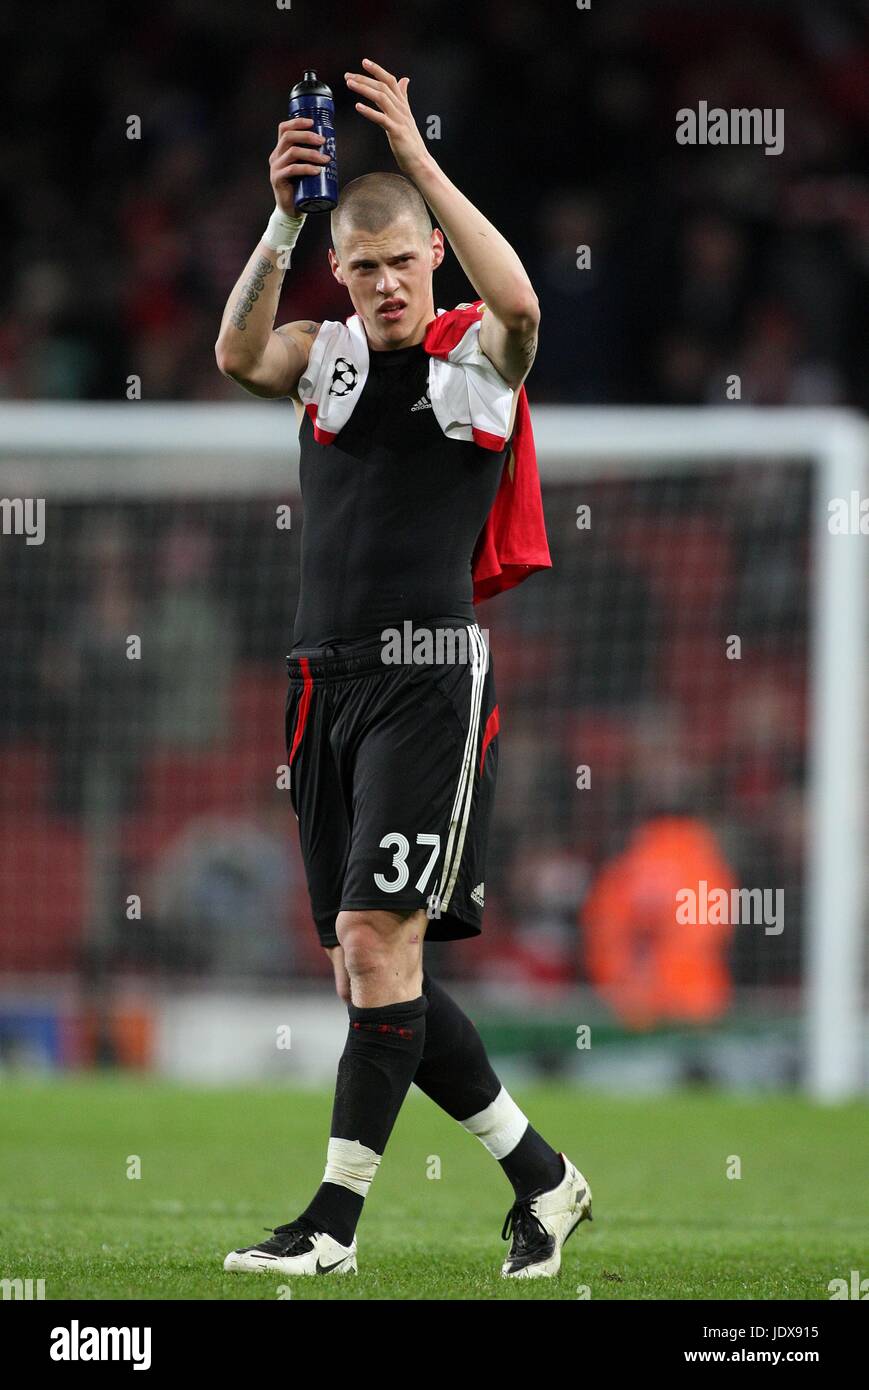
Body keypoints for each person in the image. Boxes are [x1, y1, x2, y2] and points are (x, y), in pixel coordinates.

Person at [214, 58, 591, 1280]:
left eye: (401, 261)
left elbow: (525, 305)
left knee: (378, 943)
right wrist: (282, 216)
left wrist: (419, 163)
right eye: (361, 266)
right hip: (320, 680)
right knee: (367, 968)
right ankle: (544, 1179)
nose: (382, 285)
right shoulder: (318, 353)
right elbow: (233, 356)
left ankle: (328, 1226)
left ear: (431, 252)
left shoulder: (474, 367)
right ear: (342, 271)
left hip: (427, 676)